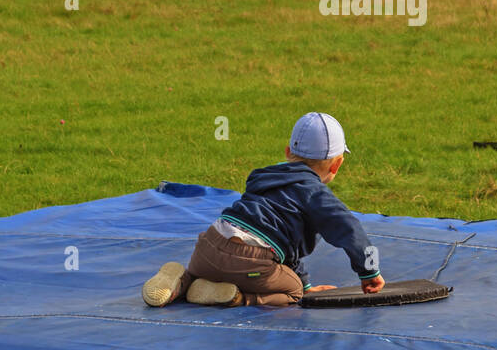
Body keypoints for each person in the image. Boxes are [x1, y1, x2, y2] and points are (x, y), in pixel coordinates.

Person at [142, 112, 385, 309]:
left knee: (232, 261)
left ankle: (183, 281)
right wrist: (369, 271)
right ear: (337, 164)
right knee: (294, 291)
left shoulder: (263, 178)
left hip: (207, 247)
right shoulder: (314, 193)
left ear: (288, 151)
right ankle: (236, 297)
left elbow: (287, 247)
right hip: (250, 260)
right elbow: (348, 227)